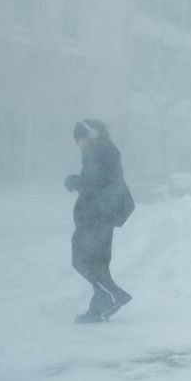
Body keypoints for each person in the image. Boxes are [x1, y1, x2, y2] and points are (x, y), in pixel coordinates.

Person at [64, 119, 133, 323]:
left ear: (85, 137)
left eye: (78, 140)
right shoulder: (107, 149)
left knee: (82, 260)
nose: (79, 145)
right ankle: (99, 306)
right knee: (98, 263)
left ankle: (113, 295)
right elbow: (102, 180)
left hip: (97, 215)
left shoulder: (95, 150)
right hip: (106, 214)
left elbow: (92, 182)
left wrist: (73, 181)